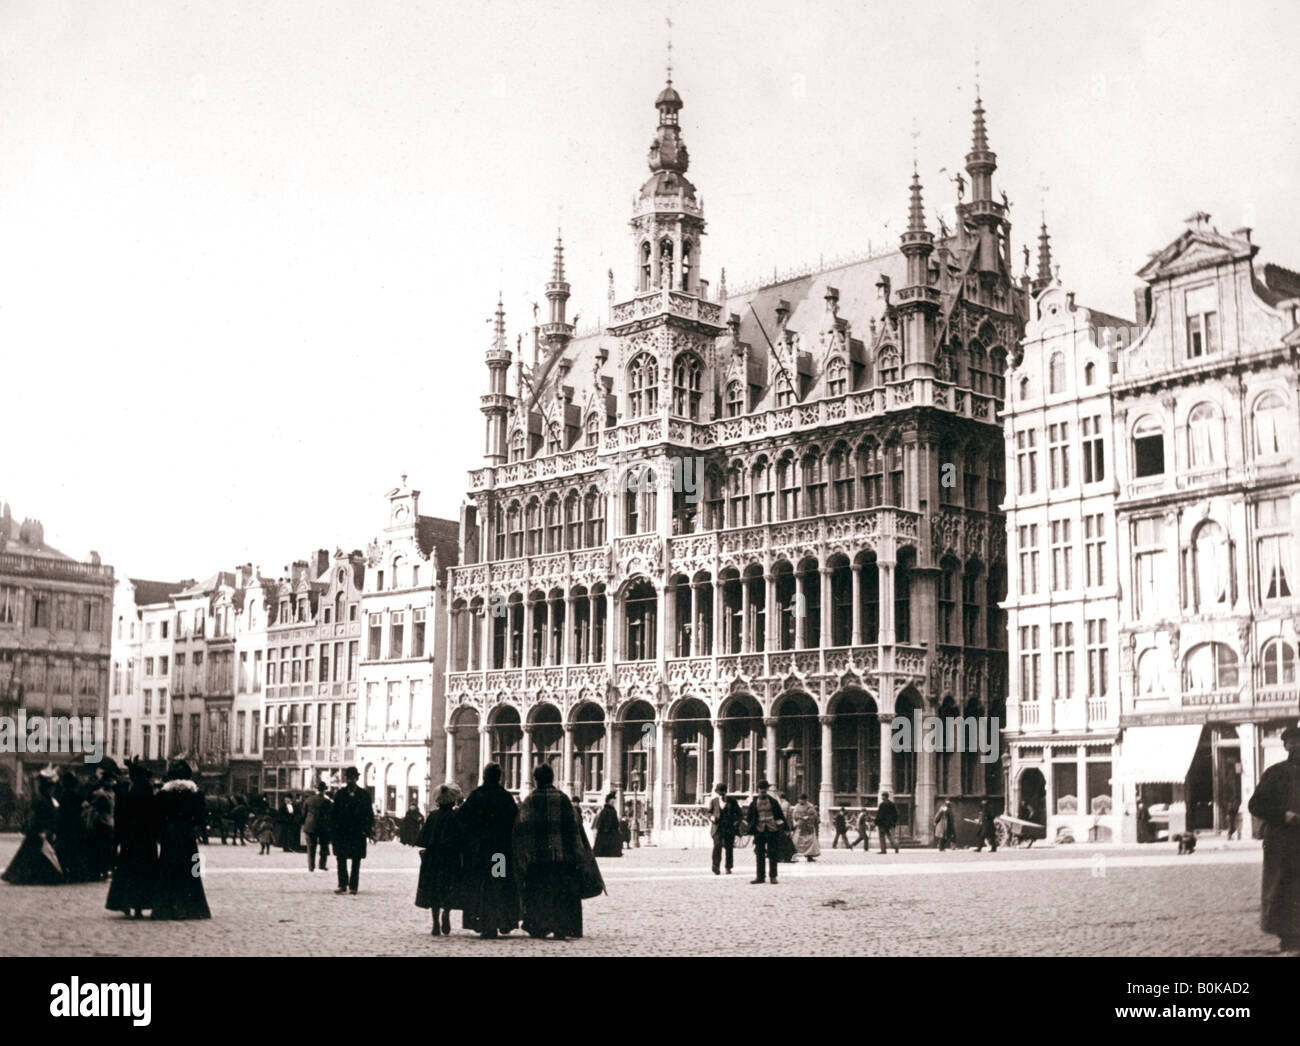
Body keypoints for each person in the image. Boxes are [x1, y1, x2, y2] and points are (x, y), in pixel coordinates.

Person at [514, 763, 599, 940]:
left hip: (538, 860)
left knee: (539, 894)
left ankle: (539, 926)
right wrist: (579, 855)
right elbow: (575, 829)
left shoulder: (530, 801)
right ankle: (562, 927)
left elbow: (521, 830)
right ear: (552, 779)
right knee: (562, 895)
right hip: (562, 858)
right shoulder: (563, 799)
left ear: (536, 780)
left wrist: (522, 859)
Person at [1247, 724, 1300, 954]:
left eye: (1299, 741)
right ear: (1286, 745)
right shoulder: (1275, 773)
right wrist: (1282, 815)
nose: (1296, 746)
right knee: (1283, 891)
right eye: (1292, 742)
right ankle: (1288, 941)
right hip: (1282, 843)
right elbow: (1255, 804)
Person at [456, 762, 520, 938]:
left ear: (484, 776)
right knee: (499, 883)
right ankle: (502, 920)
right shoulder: (506, 797)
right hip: (499, 851)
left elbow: (462, 819)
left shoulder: (476, 795)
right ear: (499, 777)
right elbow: (515, 822)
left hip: (479, 851)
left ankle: (485, 923)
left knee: (481, 885)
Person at [152, 761, 210, 920]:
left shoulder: (163, 795)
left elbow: (156, 816)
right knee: (191, 871)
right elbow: (201, 818)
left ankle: (165, 908)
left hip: (169, 836)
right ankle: (194, 907)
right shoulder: (195, 794)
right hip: (187, 837)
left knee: (167, 870)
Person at [106, 758, 159, 918]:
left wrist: (116, 841)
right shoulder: (150, 794)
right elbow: (156, 818)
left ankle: (126, 903)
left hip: (130, 840)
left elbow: (120, 819)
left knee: (128, 873)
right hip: (147, 841)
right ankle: (141, 905)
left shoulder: (126, 794)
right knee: (145, 873)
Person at [415, 783, 463, 936]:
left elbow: (422, 839)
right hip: (450, 857)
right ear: (452, 801)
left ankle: (435, 922)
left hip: (433, 858)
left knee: (433, 889)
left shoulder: (433, 816)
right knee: (449, 886)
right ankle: (446, 912)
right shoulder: (455, 817)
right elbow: (461, 839)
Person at [2, 769, 64, 885]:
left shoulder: (45, 799)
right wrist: (45, 830)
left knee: (33, 855)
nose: (53, 789)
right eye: (52, 787)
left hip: (41, 830)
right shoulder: (43, 800)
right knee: (37, 854)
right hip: (40, 830)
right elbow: (41, 817)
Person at [331, 767, 374, 895]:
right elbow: (333, 814)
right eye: (349, 778)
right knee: (341, 859)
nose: (351, 780)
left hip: (357, 833)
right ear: (346, 779)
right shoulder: (340, 794)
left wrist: (367, 829)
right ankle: (342, 884)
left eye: (353, 778)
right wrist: (334, 830)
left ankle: (354, 886)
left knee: (356, 860)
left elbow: (369, 814)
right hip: (342, 832)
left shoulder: (364, 794)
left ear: (357, 779)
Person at [745, 779, 788, 884]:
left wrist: (786, 827)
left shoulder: (773, 802)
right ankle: (760, 877)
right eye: (761, 790)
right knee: (759, 854)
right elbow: (749, 817)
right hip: (759, 831)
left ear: (767, 789)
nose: (763, 792)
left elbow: (780, 815)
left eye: (764, 790)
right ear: (758, 790)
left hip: (772, 830)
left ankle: (773, 876)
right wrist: (750, 828)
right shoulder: (753, 803)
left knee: (773, 853)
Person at [55, 770, 91, 883]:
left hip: (67, 828)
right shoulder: (76, 796)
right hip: (76, 827)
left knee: (67, 852)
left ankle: (68, 873)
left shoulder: (64, 795)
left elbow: (63, 812)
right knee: (76, 851)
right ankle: (78, 874)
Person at [88, 771, 117, 880]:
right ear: (104, 781)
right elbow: (93, 808)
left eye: (112, 780)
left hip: (110, 823)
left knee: (108, 849)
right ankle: (100, 871)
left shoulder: (113, 793)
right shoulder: (99, 793)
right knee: (101, 848)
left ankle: (105, 870)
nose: (111, 782)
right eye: (109, 780)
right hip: (101, 823)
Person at [708, 783, 742, 875]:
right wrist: (712, 818)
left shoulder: (732, 801)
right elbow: (709, 813)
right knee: (717, 846)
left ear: (725, 792)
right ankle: (715, 866)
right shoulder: (714, 801)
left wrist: (736, 823)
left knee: (729, 848)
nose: (721, 795)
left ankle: (728, 867)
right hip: (717, 828)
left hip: (729, 828)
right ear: (717, 793)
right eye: (719, 793)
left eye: (722, 793)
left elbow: (739, 814)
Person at [302, 780, 332, 873]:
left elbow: (303, 814)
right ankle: (322, 865)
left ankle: (311, 867)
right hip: (323, 827)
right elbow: (330, 814)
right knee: (324, 846)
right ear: (324, 790)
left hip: (310, 826)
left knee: (311, 847)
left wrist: (304, 823)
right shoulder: (327, 802)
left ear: (316, 789)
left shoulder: (308, 800)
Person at [790, 794, 821, 860]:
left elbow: (814, 815)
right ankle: (794, 856)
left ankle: (809, 856)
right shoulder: (797, 806)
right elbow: (794, 816)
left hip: (808, 826)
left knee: (810, 842)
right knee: (796, 842)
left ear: (806, 800)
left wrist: (809, 818)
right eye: (799, 799)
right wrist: (798, 819)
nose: (800, 801)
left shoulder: (810, 806)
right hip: (799, 826)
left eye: (802, 799)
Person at [592, 792, 623, 857]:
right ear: (608, 801)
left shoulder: (613, 810)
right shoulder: (605, 810)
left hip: (611, 830)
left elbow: (615, 821)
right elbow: (601, 821)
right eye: (612, 802)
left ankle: (610, 853)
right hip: (605, 830)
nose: (613, 803)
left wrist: (617, 827)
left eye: (613, 802)